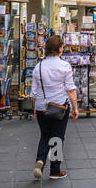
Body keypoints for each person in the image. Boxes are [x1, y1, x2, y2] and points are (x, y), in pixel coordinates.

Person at [31, 34, 79, 180]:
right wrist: (75, 108)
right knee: (57, 138)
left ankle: (40, 160)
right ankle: (55, 170)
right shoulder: (64, 66)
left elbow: (33, 92)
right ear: (59, 48)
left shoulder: (38, 67)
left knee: (45, 135)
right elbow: (70, 90)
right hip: (59, 107)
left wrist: (35, 107)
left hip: (42, 106)